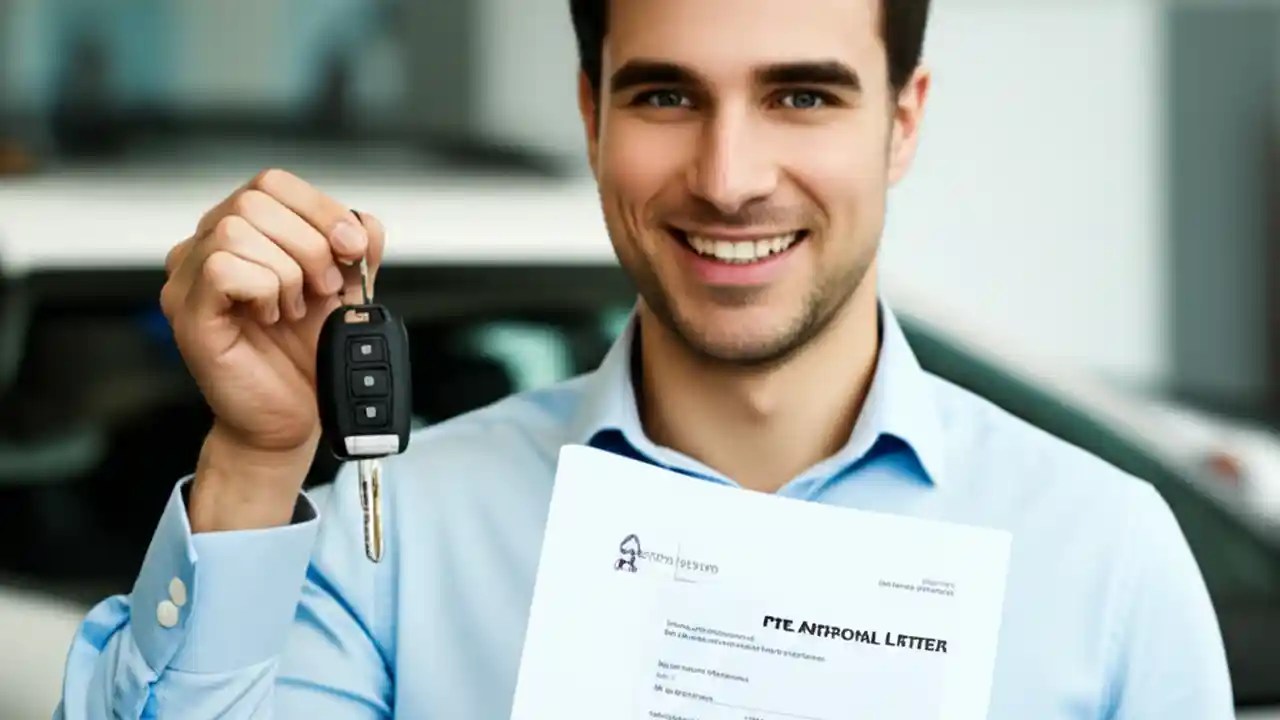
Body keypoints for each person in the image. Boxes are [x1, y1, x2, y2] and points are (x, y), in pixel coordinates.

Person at [56, 0, 1234, 717]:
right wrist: (257, 464)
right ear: (590, 114)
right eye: (666, 94)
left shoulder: (1106, 555)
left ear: (903, 119)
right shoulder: (401, 542)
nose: (728, 177)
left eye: (801, 97)